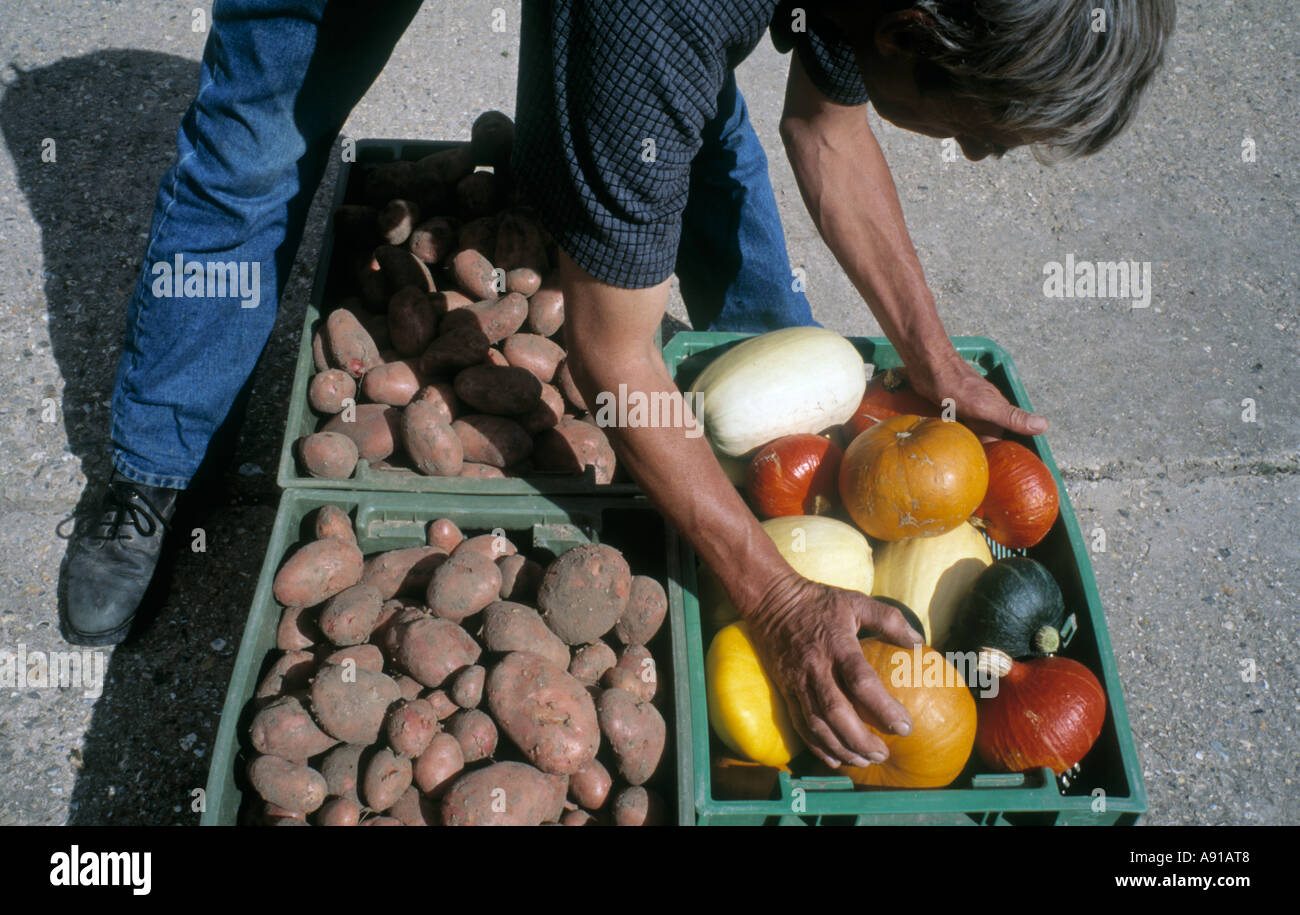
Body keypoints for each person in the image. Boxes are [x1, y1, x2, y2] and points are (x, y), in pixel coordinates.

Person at [60, 0, 1173, 772]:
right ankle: (155, 464)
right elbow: (613, 357)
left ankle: (765, 412)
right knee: (260, 139)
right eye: (982, 135)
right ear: (912, 32)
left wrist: (926, 362)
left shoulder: (872, 7)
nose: (975, 159)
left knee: (653, 123)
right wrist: (778, 600)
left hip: (650, 31)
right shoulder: (664, 15)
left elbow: (825, 121)